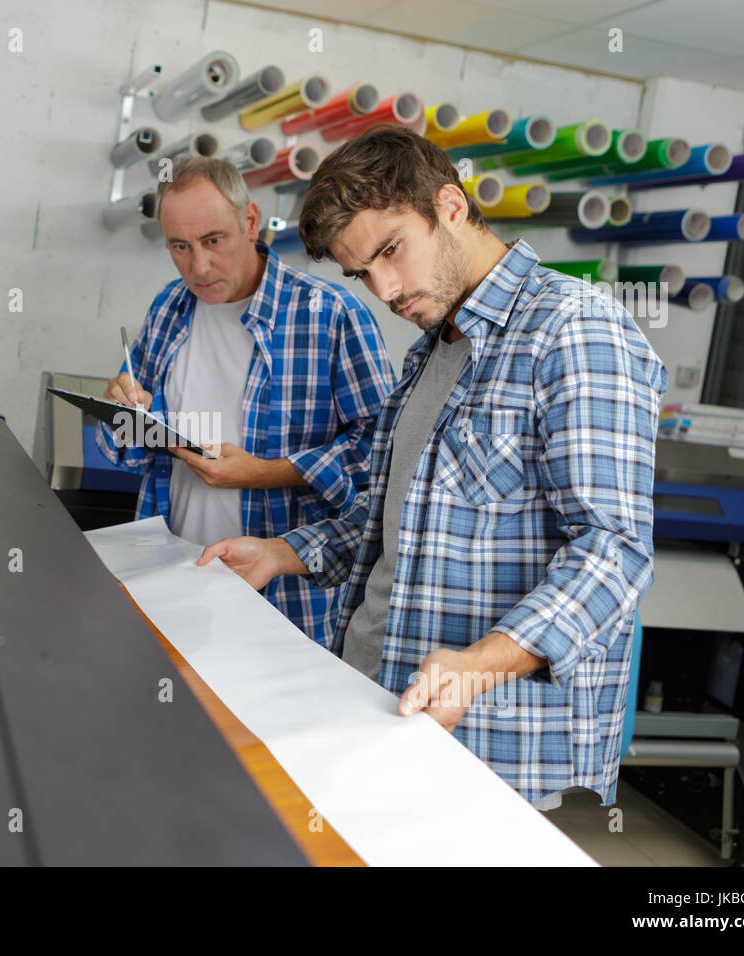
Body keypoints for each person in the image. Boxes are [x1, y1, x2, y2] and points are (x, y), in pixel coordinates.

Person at [199, 125, 666, 808]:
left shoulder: (574, 328)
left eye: (392, 251)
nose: (385, 289)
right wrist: (280, 552)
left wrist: (482, 662)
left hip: (484, 740)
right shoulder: (432, 348)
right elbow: (397, 515)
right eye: (362, 273)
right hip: (373, 694)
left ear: (449, 205)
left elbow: (614, 550)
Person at [96, 157, 394, 649]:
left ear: (250, 222)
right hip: (172, 580)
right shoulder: (170, 306)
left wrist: (264, 472)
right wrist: (124, 414)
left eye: (214, 241)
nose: (199, 266)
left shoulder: (331, 314)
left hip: (286, 604)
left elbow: (383, 457)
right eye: (180, 247)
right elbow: (131, 453)